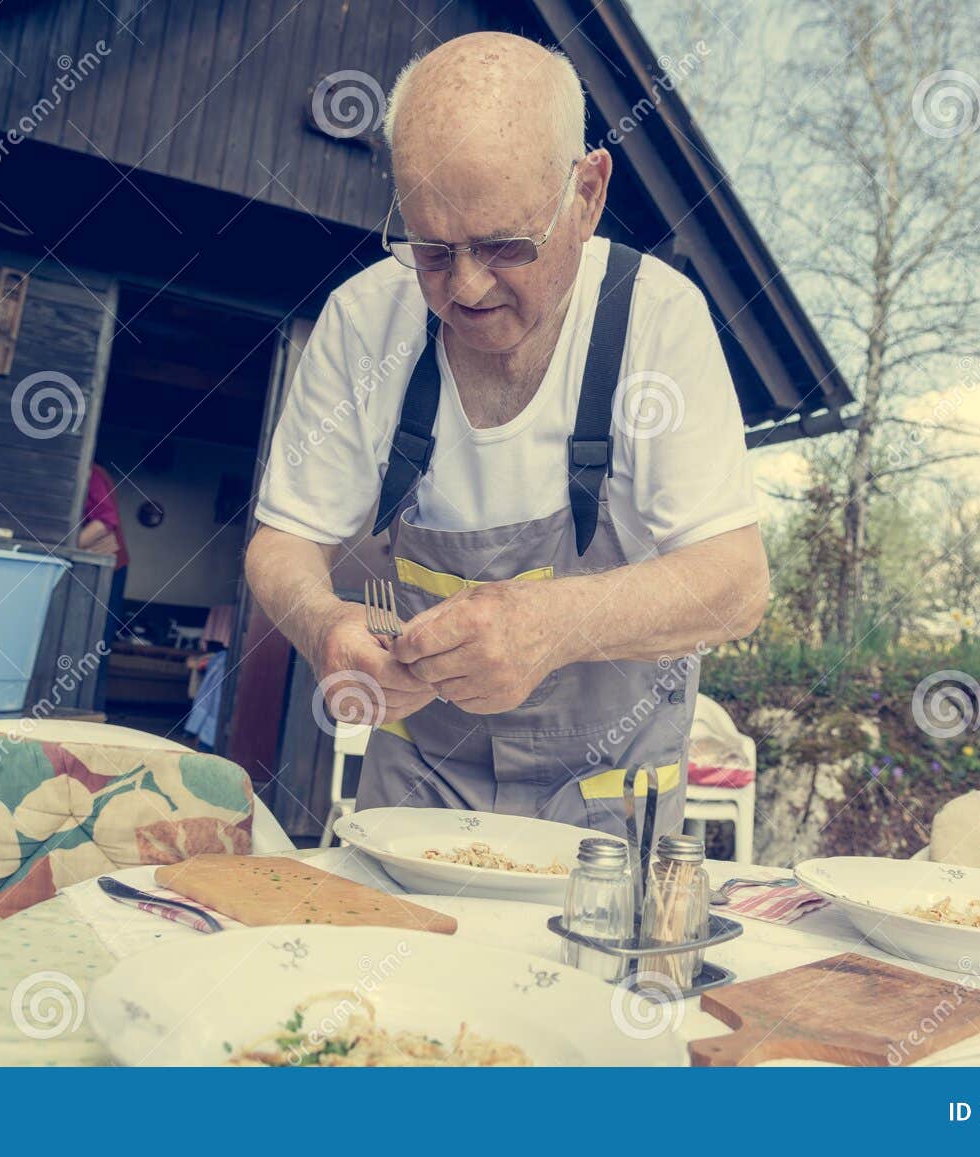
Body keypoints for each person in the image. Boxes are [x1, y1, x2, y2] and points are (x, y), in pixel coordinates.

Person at [244, 32, 770, 836]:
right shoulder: (364, 320)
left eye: (504, 245)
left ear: (587, 194)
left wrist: (555, 625)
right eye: (431, 248)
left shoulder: (656, 321)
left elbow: (737, 584)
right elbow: (281, 543)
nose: (466, 285)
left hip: (607, 813)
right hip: (417, 796)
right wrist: (324, 626)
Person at [78, 461, 130, 705]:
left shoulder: (92, 473)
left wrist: (65, 546)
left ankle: (91, 708)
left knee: (96, 642)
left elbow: (107, 520)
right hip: (86, 572)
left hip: (108, 572)